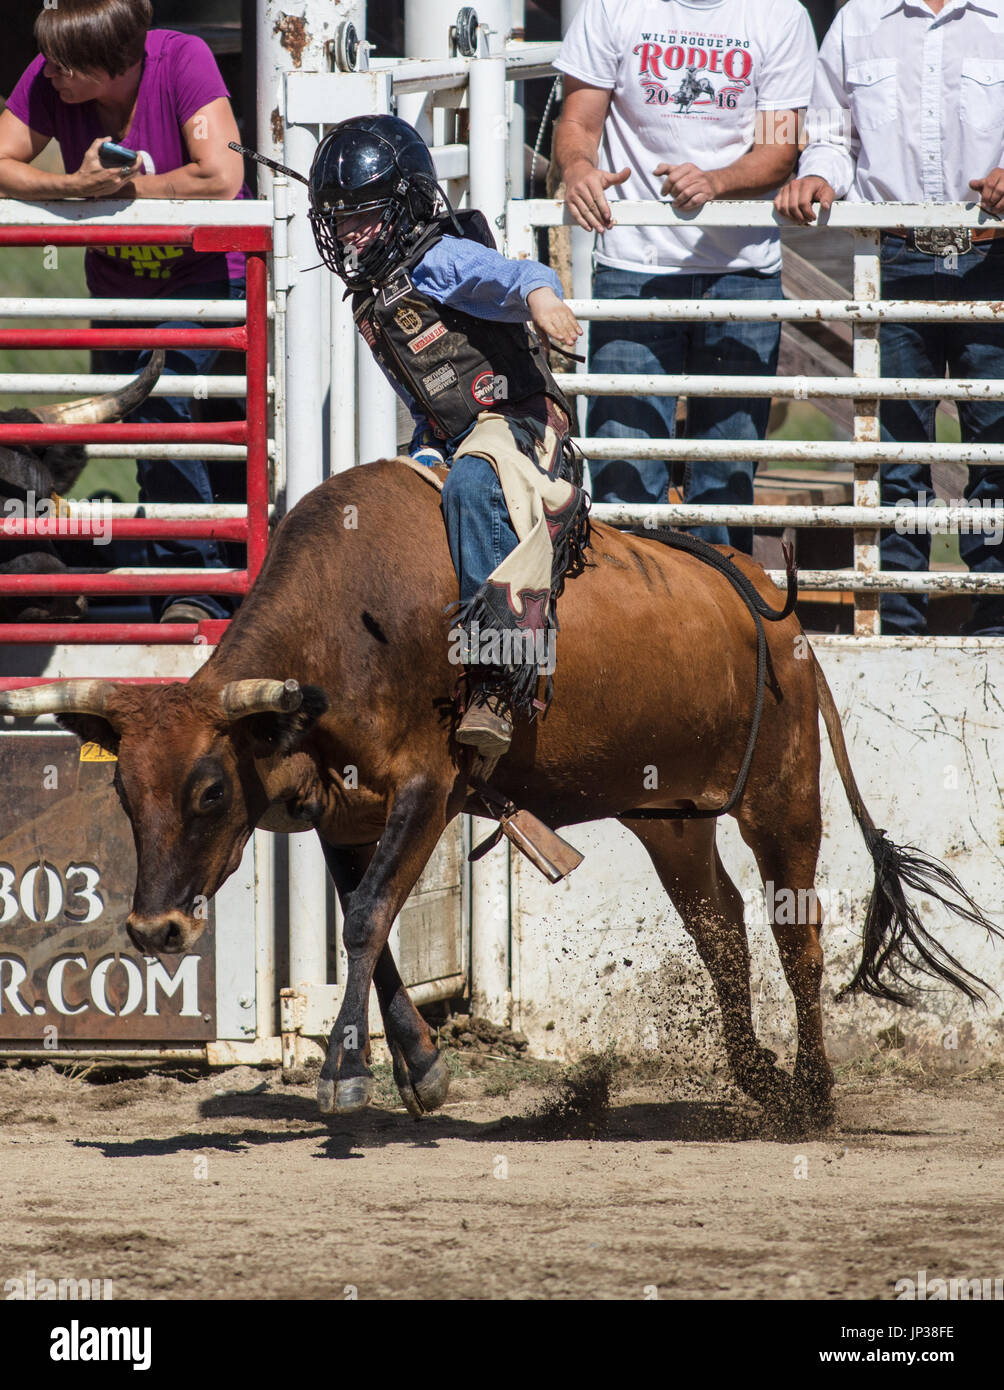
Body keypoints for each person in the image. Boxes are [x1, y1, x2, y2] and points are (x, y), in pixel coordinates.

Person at [308, 115, 589, 761]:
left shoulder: (439, 257)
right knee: (383, 501)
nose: (348, 233)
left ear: (405, 207)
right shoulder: (376, 293)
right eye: (339, 219)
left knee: (471, 483)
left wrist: (544, 300)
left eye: (363, 216)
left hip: (519, 424)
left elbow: (514, 276)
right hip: (449, 434)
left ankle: (496, 677)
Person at [0, 0, 248, 624]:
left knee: (179, 417)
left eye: (62, 67)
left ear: (108, 67)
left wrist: (132, 190)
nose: (46, 74)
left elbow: (222, 175)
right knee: (142, 433)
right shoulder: (49, 75)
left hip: (208, 285)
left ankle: (190, 589)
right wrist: (72, 188)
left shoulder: (182, 59)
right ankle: (193, 577)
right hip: (119, 291)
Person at [552, 0, 818, 552]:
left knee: (724, 492)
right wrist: (578, 167)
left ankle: (719, 634)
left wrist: (716, 181)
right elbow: (578, 120)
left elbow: (779, 151)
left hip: (742, 273)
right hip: (633, 267)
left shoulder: (778, 15)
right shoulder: (614, 6)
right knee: (625, 488)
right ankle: (634, 636)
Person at [775, 0, 1004, 637]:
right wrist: (818, 173)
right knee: (894, 458)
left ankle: (997, 631)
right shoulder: (856, 21)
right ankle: (897, 631)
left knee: (997, 456)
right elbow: (829, 135)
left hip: (994, 258)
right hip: (894, 256)